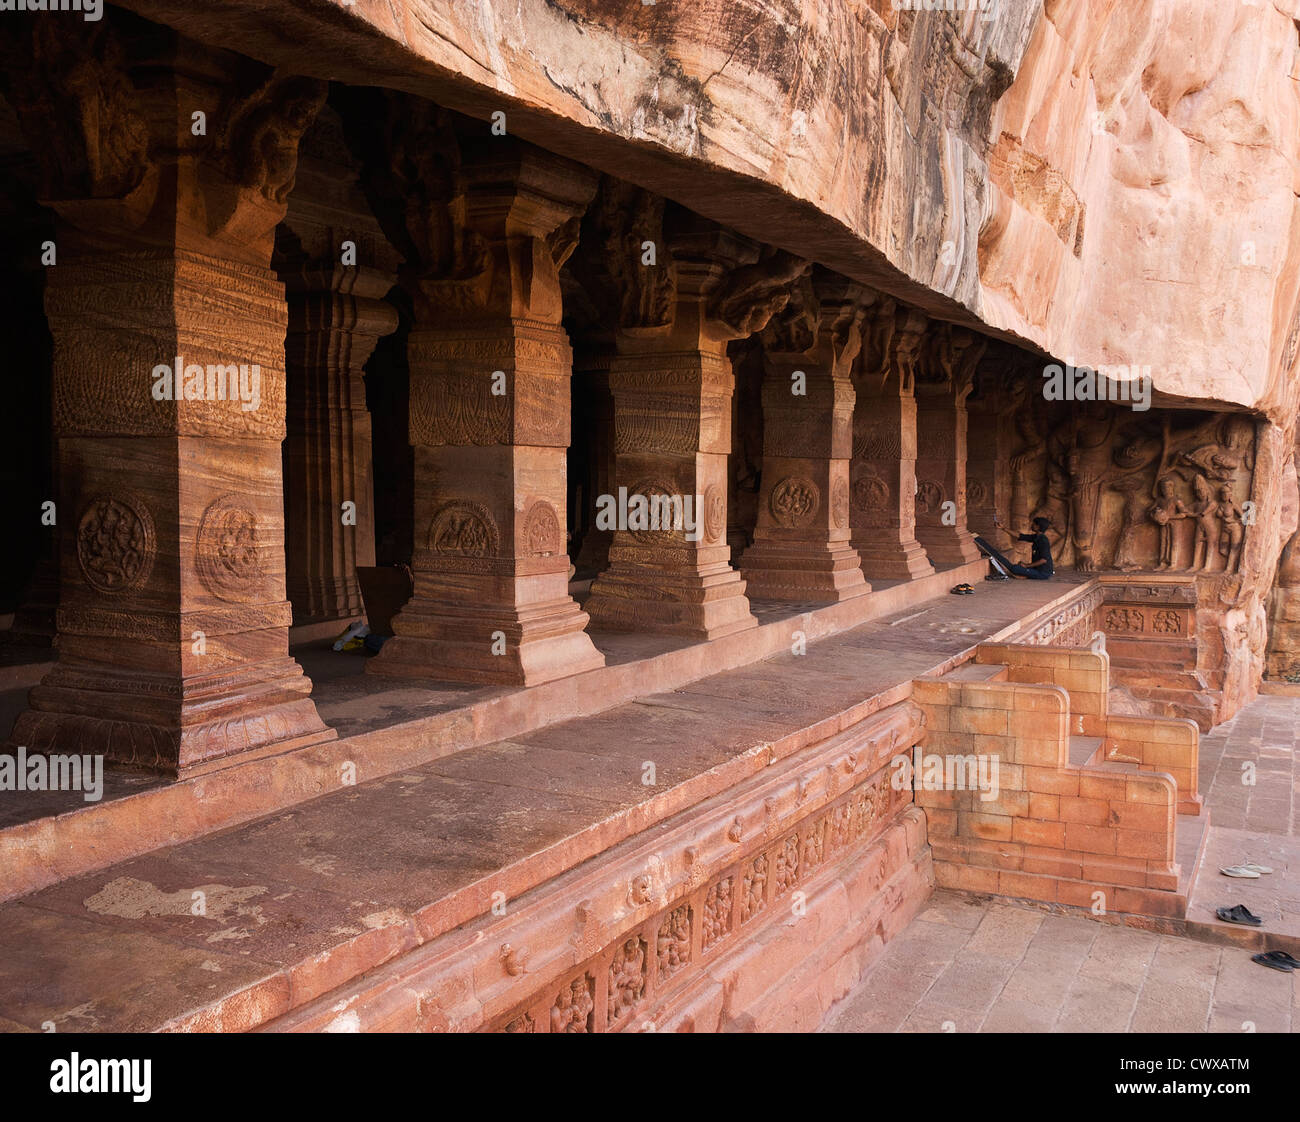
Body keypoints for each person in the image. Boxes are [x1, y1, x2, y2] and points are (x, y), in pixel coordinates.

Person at [973, 515, 1055, 580]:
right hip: (1038, 570)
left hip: (1043, 573)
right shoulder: (1036, 537)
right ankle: (1025, 574)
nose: (1032, 525)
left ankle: (1025, 574)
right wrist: (1003, 528)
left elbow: (1043, 560)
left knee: (1015, 569)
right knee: (1017, 567)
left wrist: (1027, 566)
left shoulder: (1043, 540)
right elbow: (1019, 536)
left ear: (1038, 527)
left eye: (1034, 524)